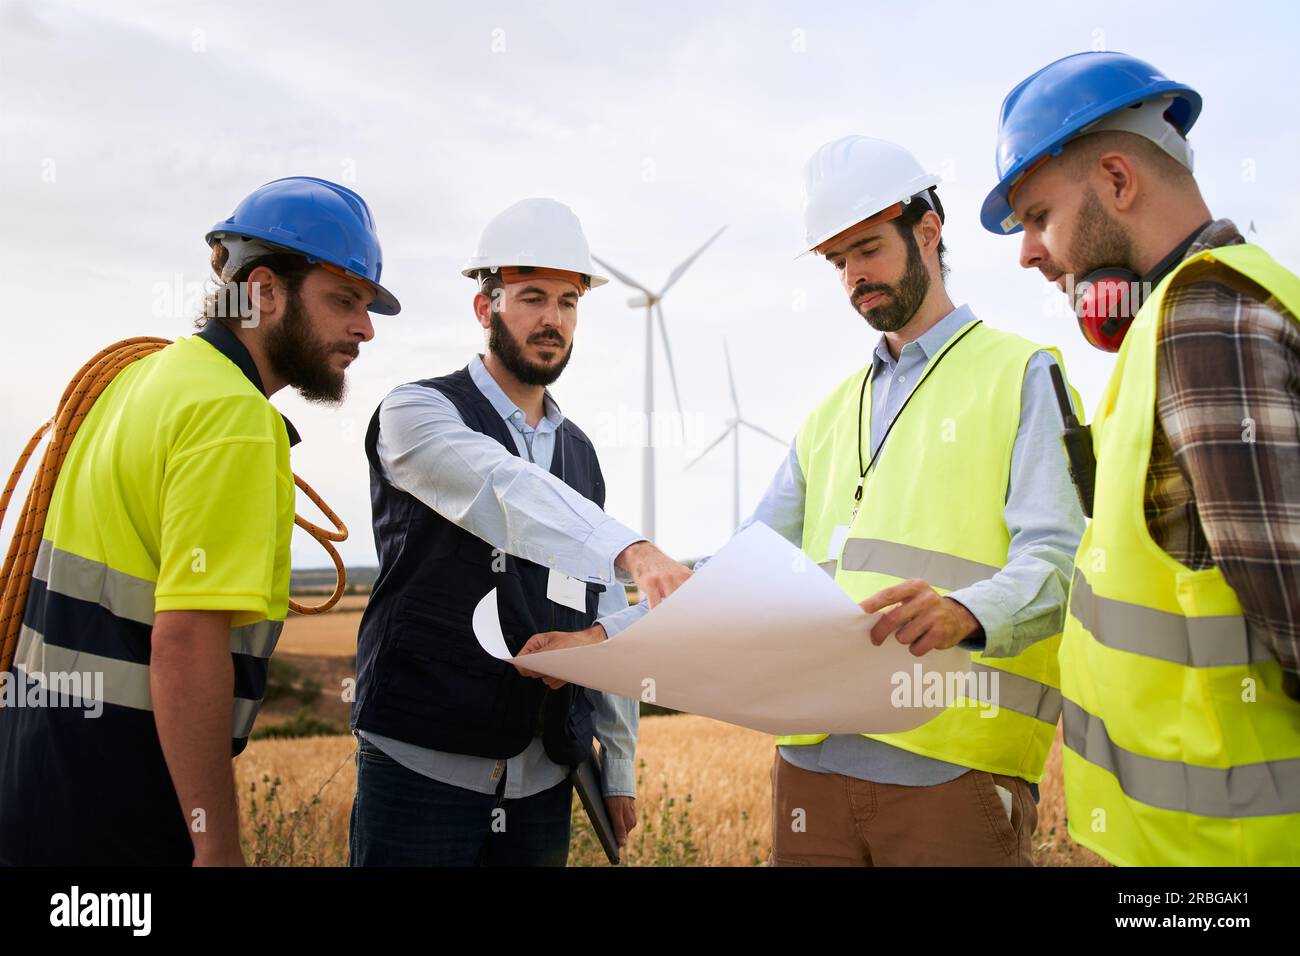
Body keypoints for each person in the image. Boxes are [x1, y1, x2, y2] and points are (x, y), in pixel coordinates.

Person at [0, 176, 399, 865]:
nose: (364, 329)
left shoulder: (138, 380)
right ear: (265, 291)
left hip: (30, 778)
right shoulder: (233, 418)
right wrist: (215, 845)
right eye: (344, 301)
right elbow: (185, 643)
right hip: (116, 802)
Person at [983, 51, 1300, 865]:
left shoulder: (1205, 317)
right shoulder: (1181, 319)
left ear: (1118, 180)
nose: (1029, 254)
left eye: (1038, 217)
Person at [757, 136, 1085, 865]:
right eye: (838, 261)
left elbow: (1060, 563)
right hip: (808, 773)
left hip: (951, 775)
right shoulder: (828, 416)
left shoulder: (1023, 374)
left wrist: (968, 612)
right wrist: (607, 637)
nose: (853, 277)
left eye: (868, 249)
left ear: (927, 232)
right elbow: (744, 572)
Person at [349, 197, 691, 866]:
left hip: (544, 777)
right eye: (533, 297)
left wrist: (616, 762)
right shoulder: (418, 413)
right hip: (422, 764)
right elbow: (501, 488)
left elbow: (604, 607)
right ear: (486, 308)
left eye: (569, 302)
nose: (553, 319)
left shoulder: (581, 455)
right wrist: (634, 548)